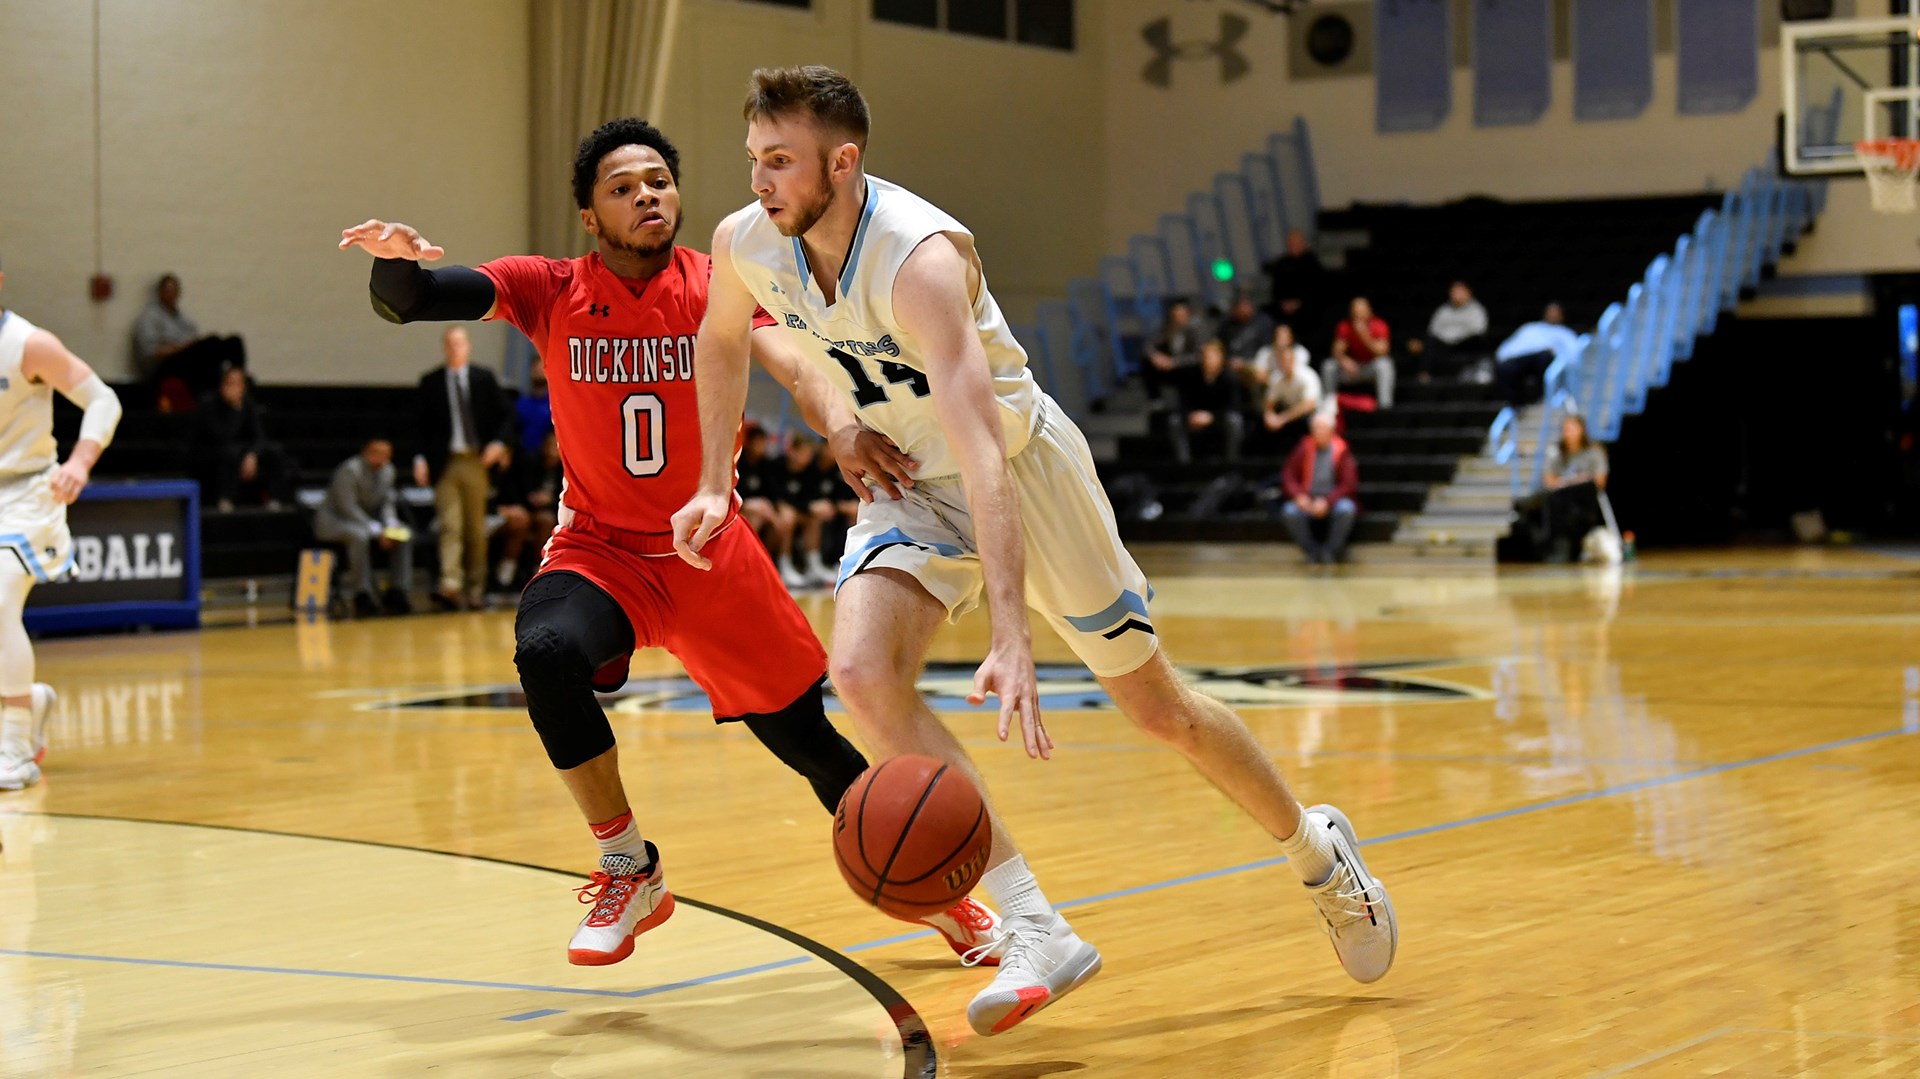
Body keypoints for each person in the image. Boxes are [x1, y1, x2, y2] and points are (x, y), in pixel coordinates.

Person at [674, 65, 1397, 1037]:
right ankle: (1032, 922)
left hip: (1022, 470)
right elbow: (721, 340)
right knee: (860, 670)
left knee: (1159, 707)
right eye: (753, 159)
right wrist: (724, 476)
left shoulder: (920, 259)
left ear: (842, 164)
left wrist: (1012, 631)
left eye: (779, 162)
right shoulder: (746, 242)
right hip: (911, 481)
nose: (758, 180)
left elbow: (983, 456)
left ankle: (1318, 850)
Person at [339, 116, 1002, 970]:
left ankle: (945, 899)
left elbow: (799, 366)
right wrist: (397, 261)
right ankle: (628, 865)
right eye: (622, 187)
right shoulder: (549, 288)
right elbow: (415, 301)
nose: (646, 195)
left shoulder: (720, 281)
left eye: (657, 179)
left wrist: (840, 424)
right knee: (545, 649)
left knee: (812, 746)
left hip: (710, 554)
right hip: (602, 552)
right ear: (590, 218)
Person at [0, 263, 124, 790]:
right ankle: (32, 701)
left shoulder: (28, 343)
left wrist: (80, 461)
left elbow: (103, 399)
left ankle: (12, 743)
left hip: (29, 492)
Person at [413, 326, 515, 610]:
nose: (455, 349)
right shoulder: (431, 382)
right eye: (450, 344)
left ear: (468, 347)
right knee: (449, 524)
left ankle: (476, 588)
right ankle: (450, 584)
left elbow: (506, 416)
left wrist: (499, 444)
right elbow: (420, 427)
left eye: (459, 344)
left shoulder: (484, 379)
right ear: (444, 348)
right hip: (445, 461)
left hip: (476, 460)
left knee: (475, 529)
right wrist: (419, 459)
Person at [312, 438, 414, 617]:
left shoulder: (389, 470)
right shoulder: (350, 470)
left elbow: (387, 503)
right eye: (378, 454)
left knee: (403, 535)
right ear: (366, 453)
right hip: (335, 522)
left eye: (386, 455)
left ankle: (398, 590)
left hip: (368, 522)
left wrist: (391, 524)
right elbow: (347, 507)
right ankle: (363, 593)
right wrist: (376, 529)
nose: (383, 458)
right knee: (359, 536)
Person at [132, 273, 246, 409]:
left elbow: (194, 343)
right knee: (212, 342)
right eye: (168, 290)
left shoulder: (183, 319)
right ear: (160, 292)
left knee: (233, 342)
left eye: (174, 290)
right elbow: (149, 352)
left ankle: (239, 390)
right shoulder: (149, 317)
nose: (171, 294)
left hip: (186, 364)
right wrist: (180, 348)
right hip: (163, 366)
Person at [190, 365, 294, 512]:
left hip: (240, 451)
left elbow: (259, 436)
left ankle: (275, 499)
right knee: (229, 452)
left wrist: (252, 455)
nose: (234, 388)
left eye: (238, 383)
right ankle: (225, 499)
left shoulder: (248, 404)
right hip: (210, 453)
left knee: (274, 452)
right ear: (222, 384)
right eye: (230, 383)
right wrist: (235, 410)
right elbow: (221, 437)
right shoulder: (209, 404)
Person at [1276, 411, 1359, 565]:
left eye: (1322, 428)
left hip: (1332, 501)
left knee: (1346, 509)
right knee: (1289, 511)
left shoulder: (1341, 449)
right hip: (1307, 500)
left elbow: (1349, 483)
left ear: (1331, 430)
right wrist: (1299, 496)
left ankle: (1330, 552)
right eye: (1315, 428)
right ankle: (1312, 552)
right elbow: (1288, 475)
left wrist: (1328, 502)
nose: (1318, 431)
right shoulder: (1304, 447)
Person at [1540, 414, 1609, 562]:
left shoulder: (1594, 451)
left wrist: (1573, 481)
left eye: (1572, 428)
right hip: (1562, 496)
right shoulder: (1556, 451)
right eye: (1565, 429)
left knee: (1582, 489)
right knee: (1554, 498)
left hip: (1584, 496)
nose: (1568, 432)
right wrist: (1570, 481)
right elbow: (1549, 481)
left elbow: (1599, 481)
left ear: (1582, 430)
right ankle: (1558, 546)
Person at [1252, 323, 1321, 456]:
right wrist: (1269, 415)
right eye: (1282, 360)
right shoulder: (1277, 377)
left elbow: (1309, 405)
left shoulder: (1307, 375)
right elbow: (1269, 401)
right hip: (1287, 414)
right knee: (1263, 423)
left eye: (1288, 360)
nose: (1285, 363)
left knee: (1305, 422)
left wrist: (1282, 418)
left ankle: (1306, 458)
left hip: (1306, 415)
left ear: (1294, 360)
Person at [1171, 339, 1244, 463]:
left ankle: (1231, 464)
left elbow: (1233, 406)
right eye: (1206, 355)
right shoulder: (1192, 376)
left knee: (1235, 421)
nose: (1208, 359)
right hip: (1195, 419)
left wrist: (1212, 417)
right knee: (1174, 421)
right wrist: (1191, 415)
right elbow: (1183, 402)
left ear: (1221, 359)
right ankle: (1184, 464)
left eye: (1212, 356)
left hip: (1219, 419)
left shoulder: (1229, 379)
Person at [1495, 302, 1579, 408]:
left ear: (1562, 315)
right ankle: (1517, 406)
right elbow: (1507, 348)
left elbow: (1574, 355)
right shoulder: (1530, 327)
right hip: (1522, 360)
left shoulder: (1565, 333)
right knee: (1504, 368)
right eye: (1550, 311)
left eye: (1555, 312)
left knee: (1544, 357)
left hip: (1545, 360)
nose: (1552, 315)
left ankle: (1543, 397)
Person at [1410, 281, 1489, 382]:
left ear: (1468, 292)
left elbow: (1479, 330)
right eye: (1454, 292)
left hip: (1466, 343)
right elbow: (1433, 331)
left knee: (1479, 340)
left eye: (1460, 291)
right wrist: (1447, 339)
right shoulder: (1443, 310)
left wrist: (1456, 337)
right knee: (1429, 342)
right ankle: (1425, 375)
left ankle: (1479, 372)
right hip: (1444, 344)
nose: (1457, 295)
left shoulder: (1477, 309)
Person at [1325, 296, 1394, 410]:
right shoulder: (1345, 326)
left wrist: (1364, 335)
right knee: (1329, 366)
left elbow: (1383, 352)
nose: (1358, 315)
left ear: (1369, 311)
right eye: (1355, 312)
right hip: (1352, 370)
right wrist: (1344, 360)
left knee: (1385, 365)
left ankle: (1385, 407)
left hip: (1370, 369)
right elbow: (1336, 351)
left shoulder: (1379, 325)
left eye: (1362, 312)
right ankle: (1328, 407)